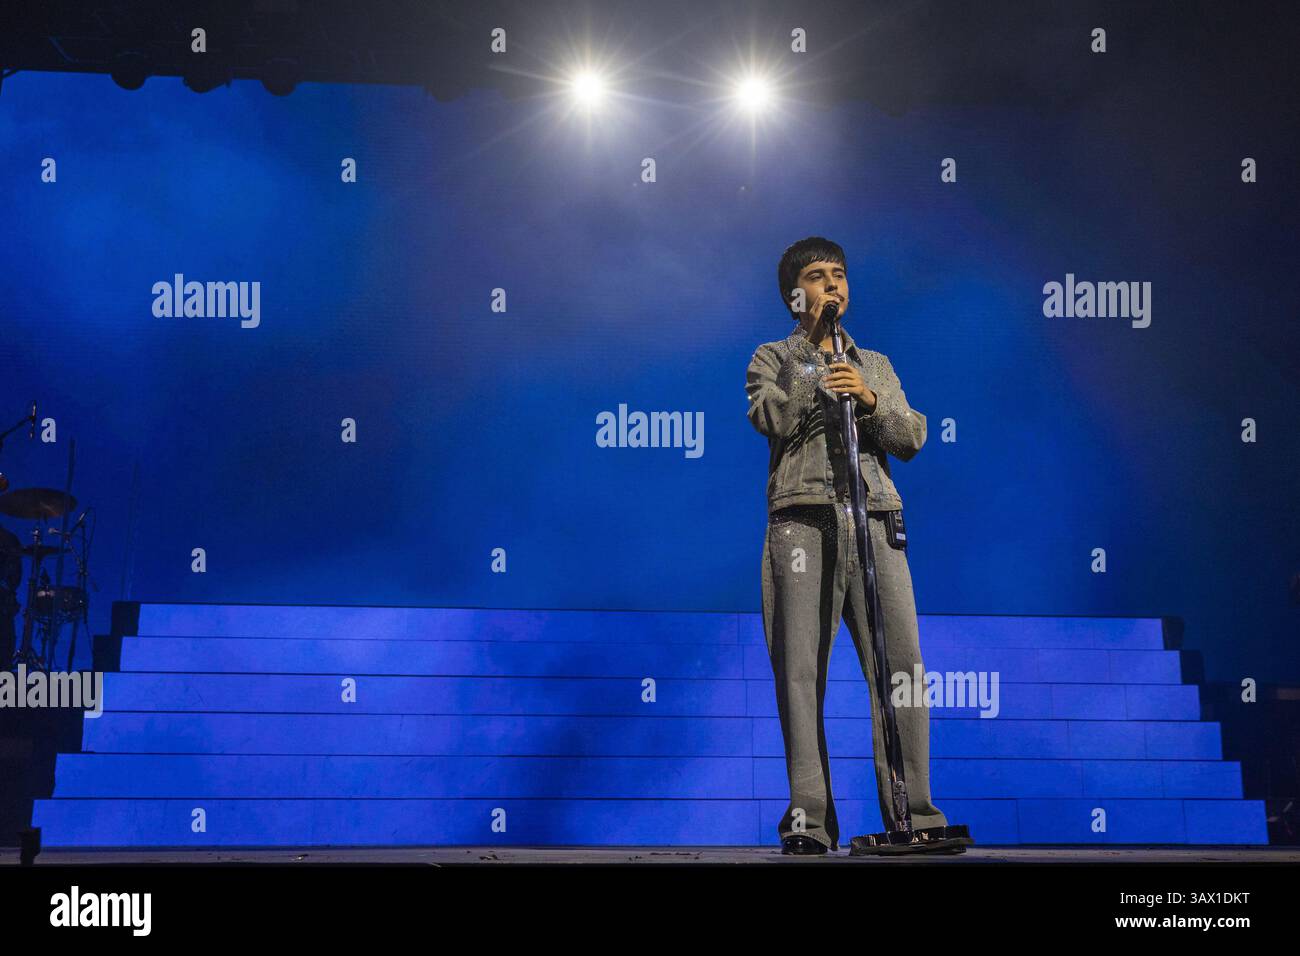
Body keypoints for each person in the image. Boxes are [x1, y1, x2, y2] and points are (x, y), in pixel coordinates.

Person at [745, 236, 949, 854]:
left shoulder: (875, 363)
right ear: (794, 295)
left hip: (876, 521)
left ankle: (914, 815)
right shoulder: (772, 356)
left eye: (838, 274)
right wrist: (809, 361)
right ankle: (809, 819)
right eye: (816, 275)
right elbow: (771, 419)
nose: (831, 284)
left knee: (903, 669)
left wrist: (868, 396)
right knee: (801, 674)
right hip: (802, 523)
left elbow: (911, 435)